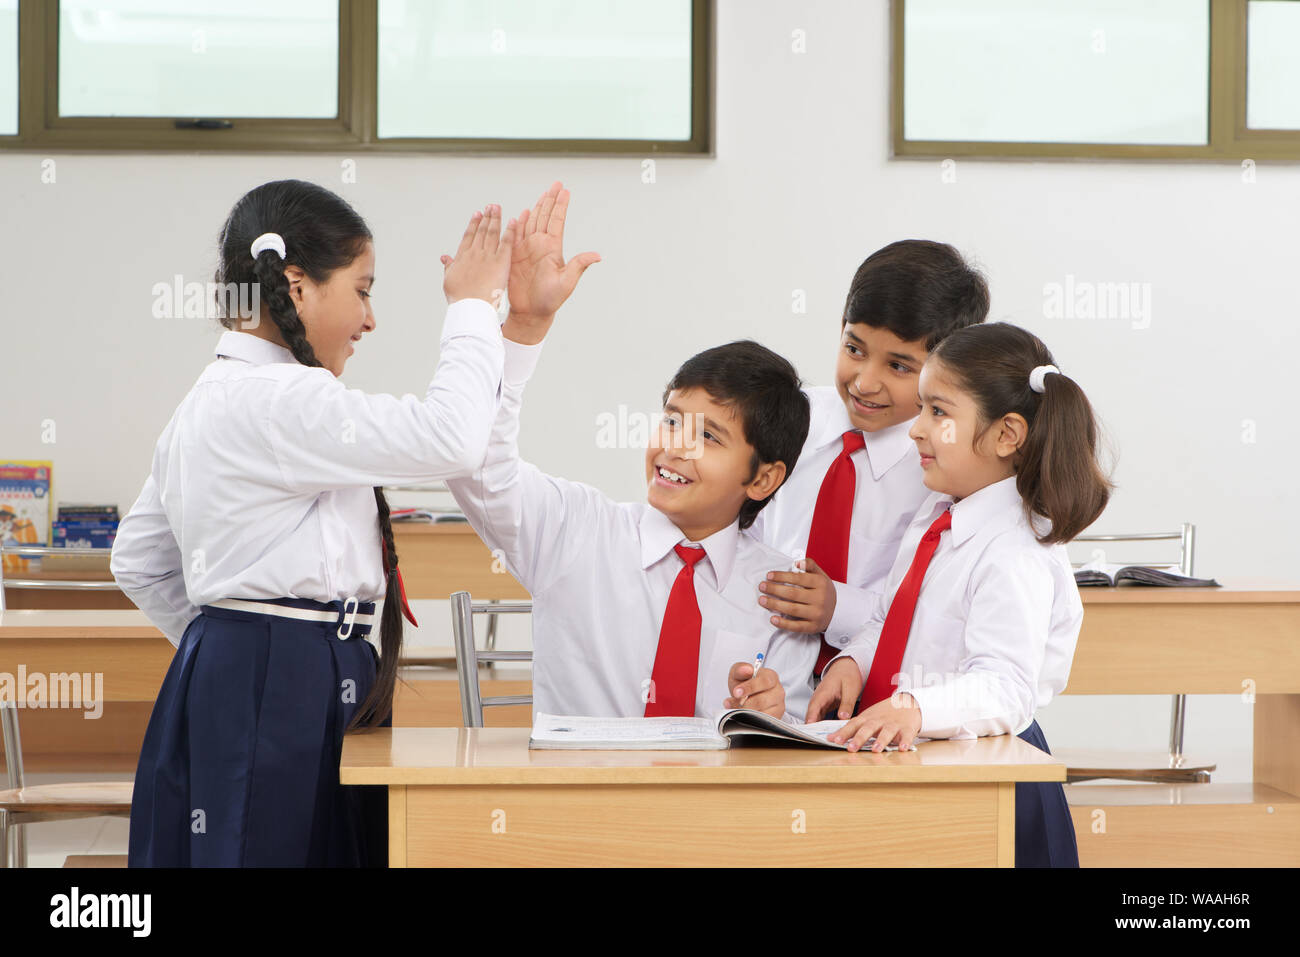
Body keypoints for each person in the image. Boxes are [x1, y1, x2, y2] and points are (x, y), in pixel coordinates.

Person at [112, 178, 516, 866]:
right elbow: (451, 436)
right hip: (293, 675)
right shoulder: (279, 396)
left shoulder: (210, 398)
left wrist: (229, 645)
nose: (369, 319)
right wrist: (472, 307)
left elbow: (136, 559)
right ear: (297, 284)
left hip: (269, 668)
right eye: (363, 289)